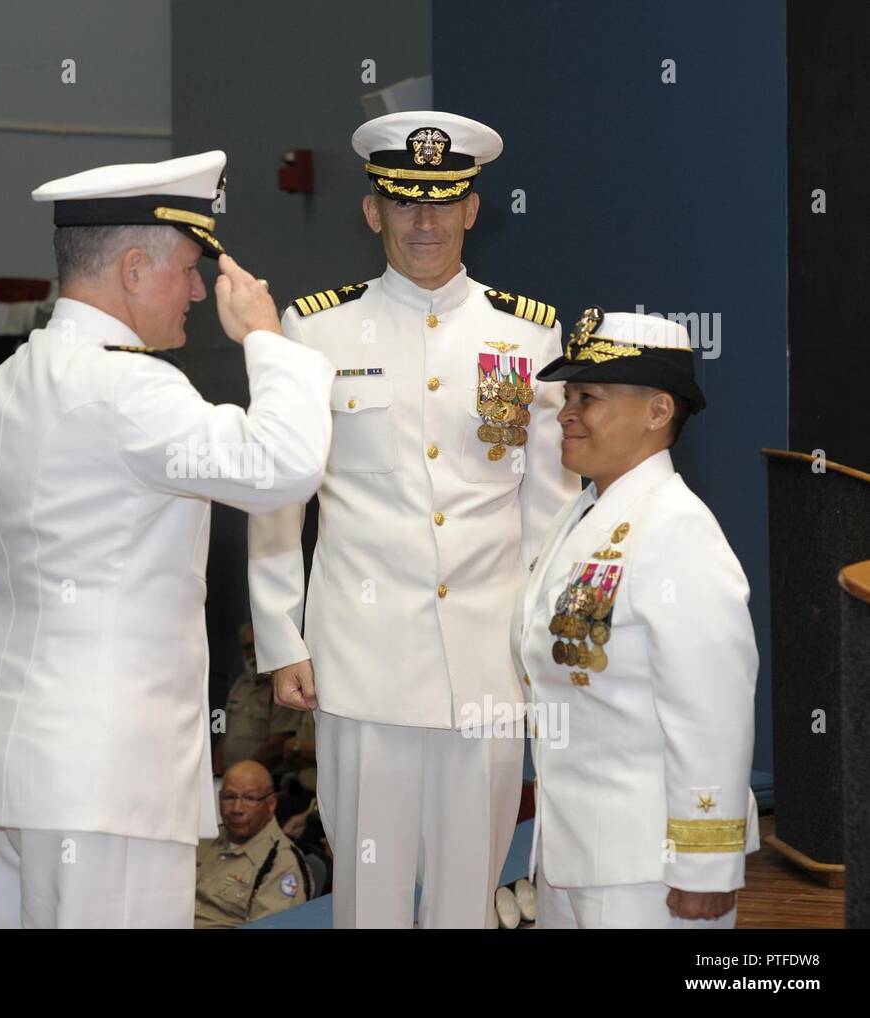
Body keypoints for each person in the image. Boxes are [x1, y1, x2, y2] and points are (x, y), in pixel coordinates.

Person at [0, 150, 334, 929]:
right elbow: (286, 466)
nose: (196, 289)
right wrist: (269, 342)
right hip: (105, 787)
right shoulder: (131, 387)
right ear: (131, 268)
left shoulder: (3, 389)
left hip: (6, 774)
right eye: (188, 267)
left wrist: (9, 731)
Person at [248, 111, 579, 928]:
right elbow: (278, 501)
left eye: (444, 201)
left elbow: (551, 507)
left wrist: (542, 640)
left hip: (489, 660)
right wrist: (283, 637)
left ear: (472, 209)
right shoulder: (314, 329)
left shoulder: (529, 334)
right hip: (361, 666)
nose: (424, 222)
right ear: (373, 212)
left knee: (470, 895)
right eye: (405, 202)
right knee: (370, 899)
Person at [514, 308, 759, 928]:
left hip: (650, 871)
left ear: (657, 411)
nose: (566, 412)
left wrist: (705, 864)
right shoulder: (581, 516)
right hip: (576, 857)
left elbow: (712, 714)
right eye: (567, 395)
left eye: (588, 396)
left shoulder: (677, 530)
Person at [195, 761, 309, 928]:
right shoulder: (206, 840)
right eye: (229, 797)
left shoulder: (281, 864)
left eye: (249, 798)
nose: (237, 808)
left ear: (271, 805)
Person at [217, 623, 300, 772]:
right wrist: (216, 771)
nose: (253, 652)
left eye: (257, 645)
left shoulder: (282, 686)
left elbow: (279, 742)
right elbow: (222, 731)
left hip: (262, 782)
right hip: (229, 779)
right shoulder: (240, 684)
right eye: (248, 647)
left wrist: (243, 773)